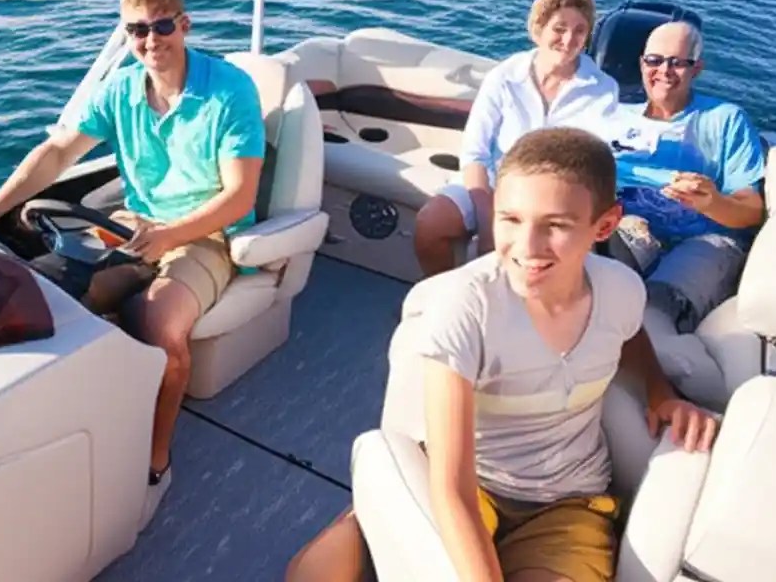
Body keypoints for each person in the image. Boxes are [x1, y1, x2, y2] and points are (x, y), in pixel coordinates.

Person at [287, 127, 718, 582]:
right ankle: (362, 522)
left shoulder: (621, 290)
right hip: (469, 484)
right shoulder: (466, 307)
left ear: (605, 226)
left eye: (555, 225)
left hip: (568, 505)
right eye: (510, 219)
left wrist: (659, 390)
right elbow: (451, 485)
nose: (527, 246)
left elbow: (629, 335)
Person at [0, 0, 265, 517]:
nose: (150, 41)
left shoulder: (229, 90)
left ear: (184, 24)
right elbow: (56, 154)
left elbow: (238, 197)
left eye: (162, 26)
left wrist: (169, 234)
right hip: (133, 222)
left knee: (163, 333)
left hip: (205, 235)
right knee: (41, 301)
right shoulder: (119, 89)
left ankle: (155, 463)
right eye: (136, 31)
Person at [414, 0, 619, 278]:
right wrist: (489, 221)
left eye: (579, 30)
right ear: (538, 29)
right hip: (495, 184)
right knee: (430, 224)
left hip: (556, 198)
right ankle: (441, 299)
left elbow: (593, 163)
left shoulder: (602, 89)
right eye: (559, 28)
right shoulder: (505, 76)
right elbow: (475, 153)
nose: (568, 38)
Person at [602, 21, 767, 335]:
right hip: (631, 230)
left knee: (654, 317)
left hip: (703, 240)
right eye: (654, 60)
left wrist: (712, 201)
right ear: (641, 63)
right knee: (588, 285)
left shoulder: (726, 120)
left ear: (697, 69)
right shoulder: (614, 117)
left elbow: (751, 211)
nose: (664, 70)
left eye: (678, 62)